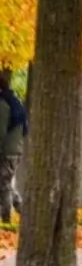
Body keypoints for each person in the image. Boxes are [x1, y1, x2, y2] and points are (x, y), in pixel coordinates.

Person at [0, 70, 26, 224]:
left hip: (7, 151)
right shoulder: (13, 101)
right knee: (6, 182)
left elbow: (0, 132)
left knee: (3, 184)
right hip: (14, 149)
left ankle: (6, 218)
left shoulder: (3, 105)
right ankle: (21, 208)